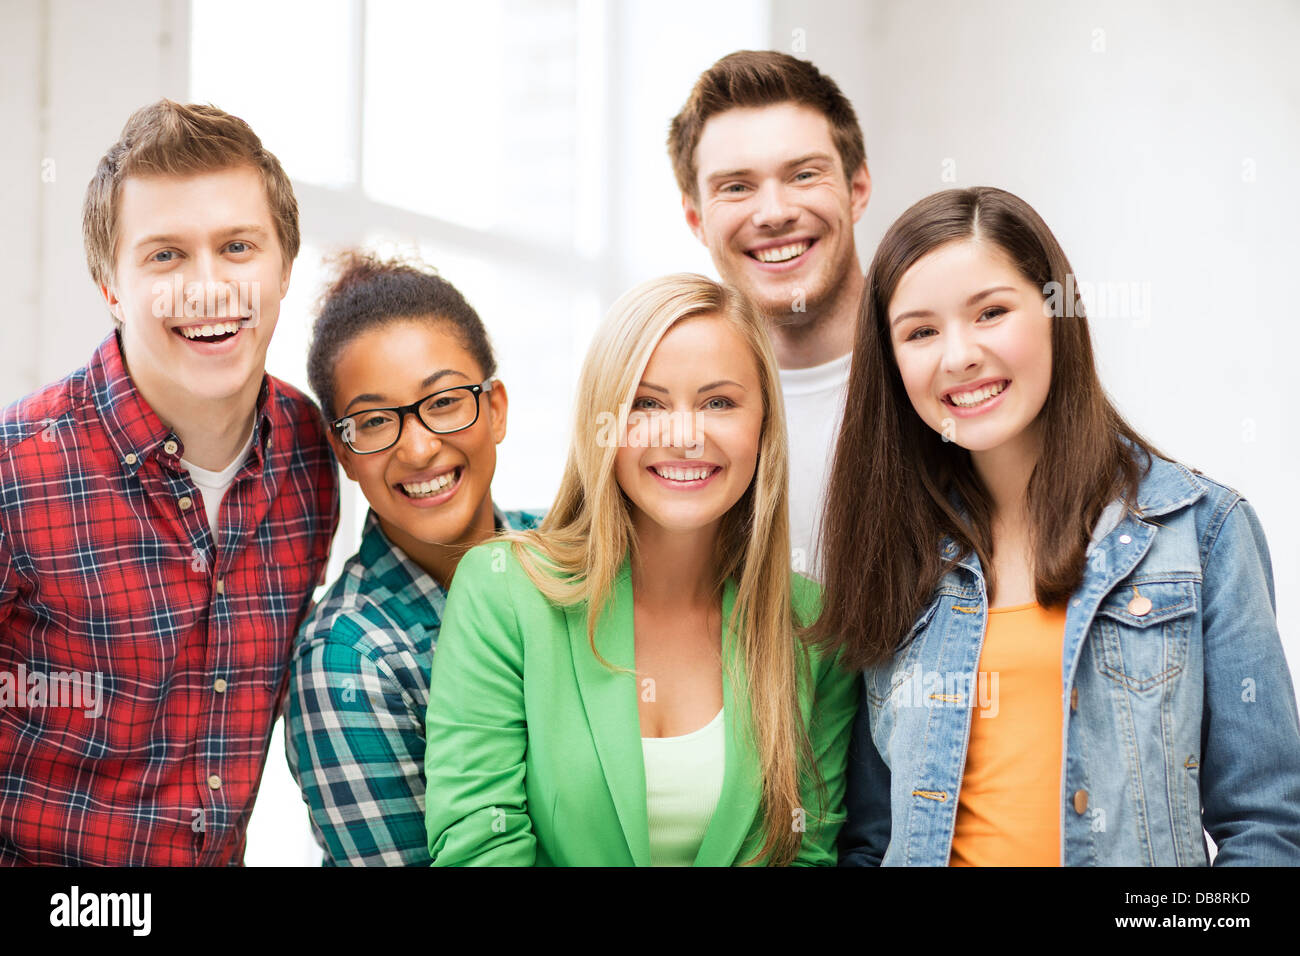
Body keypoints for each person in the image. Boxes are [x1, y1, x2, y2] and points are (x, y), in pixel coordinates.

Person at [819, 186, 1300, 866]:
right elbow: (869, 841)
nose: (958, 356)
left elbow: (1268, 829)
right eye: (921, 331)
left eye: (990, 312)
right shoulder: (889, 554)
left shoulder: (1202, 532)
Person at [0, 100, 339, 865]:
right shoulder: (15, 467)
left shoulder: (311, 456)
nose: (208, 287)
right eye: (165, 255)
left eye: (238, 247)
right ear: (110, 286)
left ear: (285, 266)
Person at [423, 274, 858, 866]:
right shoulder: (502, 590)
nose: (683, 435)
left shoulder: (813, 628)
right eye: (647, 404)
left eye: (719, 403)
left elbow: (808, 854)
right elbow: (481, 845)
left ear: (763, 426)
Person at [286, 253, 542, 866]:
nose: (421, 448)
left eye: (446, 401)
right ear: (344, 453)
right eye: (375, 421)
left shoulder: (572, 550)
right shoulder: (346, 659)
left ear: (496, 408)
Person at [668, 50, 871, 576]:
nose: (775, 213)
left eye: (804, 175)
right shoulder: (656, 408)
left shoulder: (951, 376)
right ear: (696, 217)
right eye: (736, 187)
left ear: (857, 189)